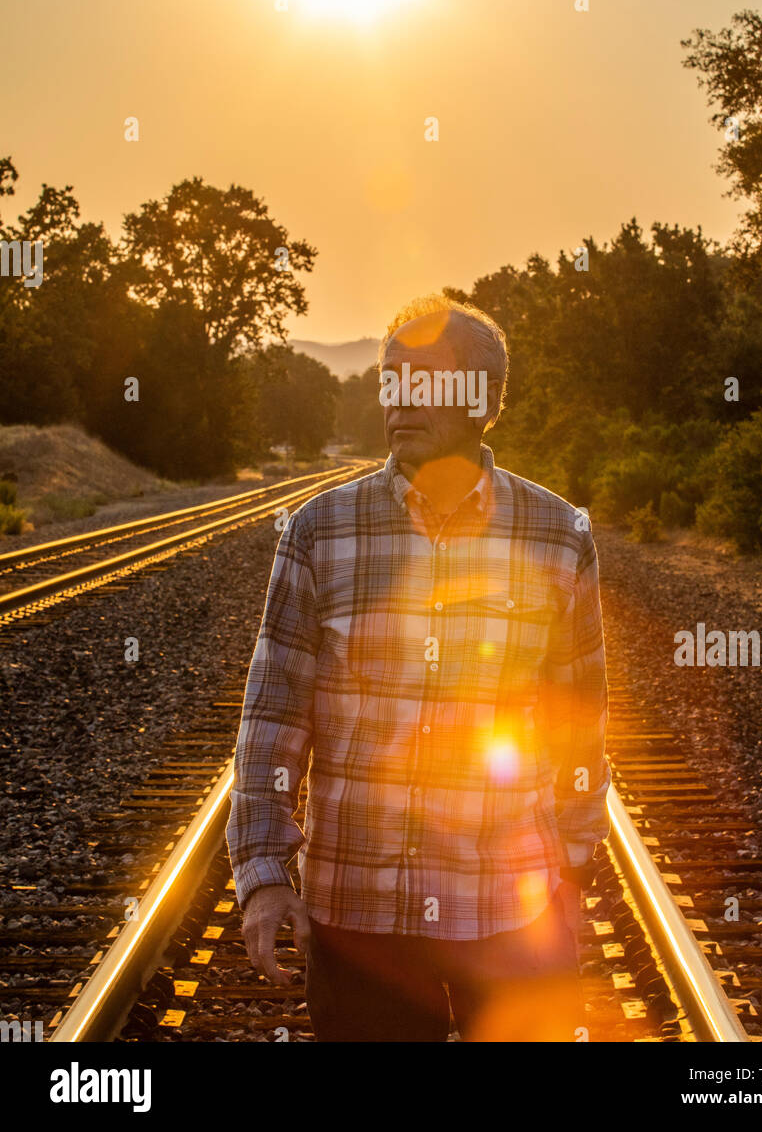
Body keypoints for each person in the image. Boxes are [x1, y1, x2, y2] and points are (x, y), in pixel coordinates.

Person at [227, 295, 610, 1041]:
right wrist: (264, 876)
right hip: (358, 915)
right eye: (391, 380)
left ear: (485, 402)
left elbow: (579, 717)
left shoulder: (558, 535)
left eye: (428, 381)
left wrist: (571, 866)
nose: (402, 401)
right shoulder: (318, 531)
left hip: (508, 908)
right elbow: (272, 716)